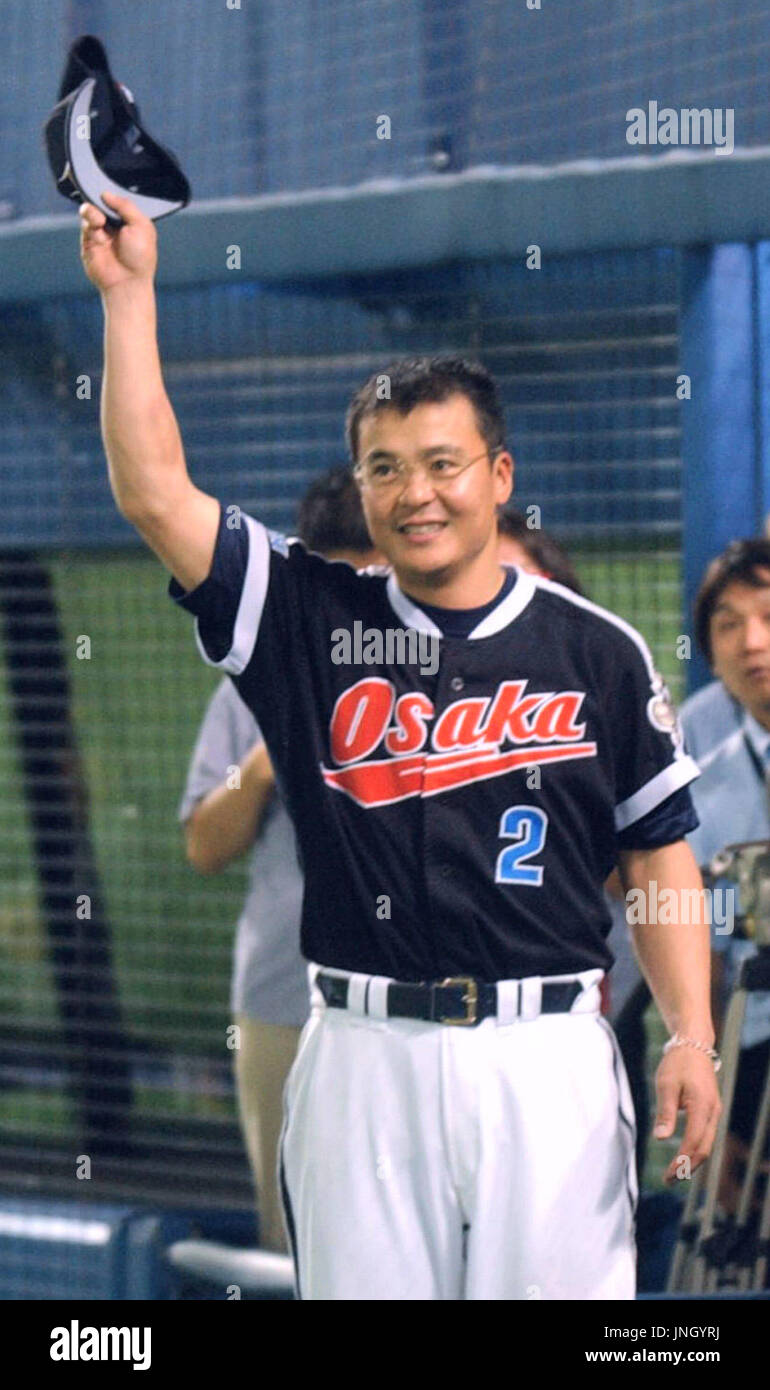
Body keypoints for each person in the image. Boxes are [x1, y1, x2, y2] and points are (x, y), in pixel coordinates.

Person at [78, 189, 720, 1302]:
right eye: (383, 468)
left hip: (548, 1054)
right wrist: (130, 295)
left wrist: (690, 1036)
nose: (413, 493)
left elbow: (657, 854)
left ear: (497, 476)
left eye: (440, 462)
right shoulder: (303, 616)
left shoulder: (598, 650)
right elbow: (152, 490)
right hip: (361, 1053)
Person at [180, 468, 380, 1252]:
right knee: (293, 1238)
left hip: (408, 1007)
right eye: (338, 576)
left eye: (373, 573)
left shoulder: (443, 673)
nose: (357, 595)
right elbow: (203, 845)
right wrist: (263, 764)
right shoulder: (252, 680)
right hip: (281, 1002)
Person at [679, 539, 770, 1211]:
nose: (752, 643)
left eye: (768, 617)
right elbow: (703, 935)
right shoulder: (703, 776)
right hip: (756, 1046)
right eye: (729, 624)